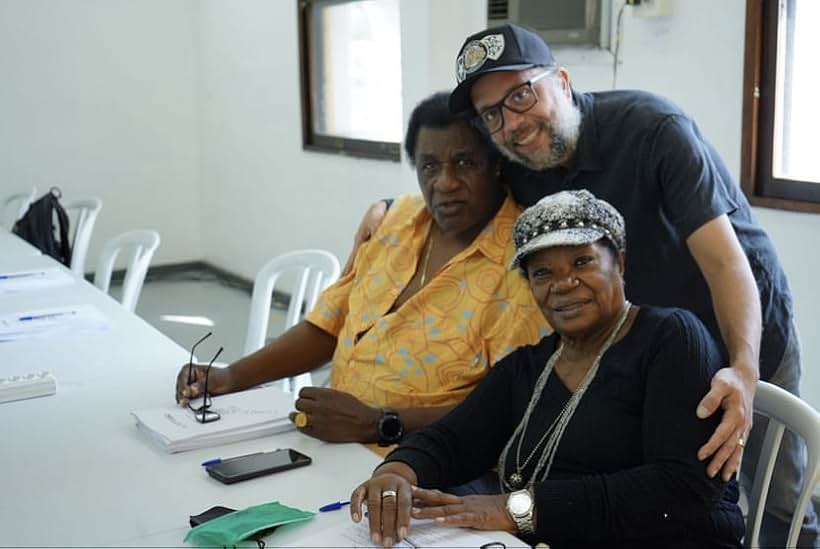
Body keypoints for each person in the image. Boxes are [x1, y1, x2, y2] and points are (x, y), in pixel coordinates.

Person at [350, 24, 816, 546]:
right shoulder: (521, 160)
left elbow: (726, 264)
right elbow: (461, 188)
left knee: (774, 495)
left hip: (734, 322)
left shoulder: (653, 130)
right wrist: (390, 210)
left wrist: (744, 368)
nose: (512, 123)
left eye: (522, 94)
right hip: (630, 343)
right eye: (492, 114)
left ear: (563, 81)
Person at [352, 190, 744, 549]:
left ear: (619, 262)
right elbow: (452, 440)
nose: (564, 284)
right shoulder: (531, 365)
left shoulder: (672, 338)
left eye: (582, 261)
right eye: (542, 273)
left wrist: (515, 510)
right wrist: (397, 474)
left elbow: (681, 487)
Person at [176, 91, 548, 448]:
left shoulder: (522, 266)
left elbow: (511, 409)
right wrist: (230, 377)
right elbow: (329, 325)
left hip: (422, 465)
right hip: (332, 441)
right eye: (429, 166)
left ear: (497, 164)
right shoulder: (397, 221)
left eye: (465, 163)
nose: (445, 183)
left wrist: (379, 422)